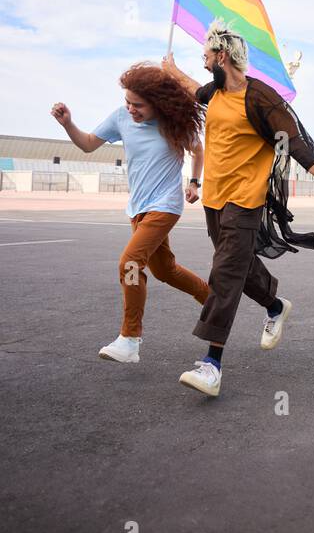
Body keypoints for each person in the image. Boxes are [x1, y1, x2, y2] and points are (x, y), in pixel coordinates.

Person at [163, 19, 314, 397]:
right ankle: (276, 304)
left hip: (246, 200)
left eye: (206, 55)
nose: (203, 63)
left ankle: (211, 364)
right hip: (214, 199)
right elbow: (191, 88)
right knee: (240, 266)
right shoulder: (214, 93)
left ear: (224, 56)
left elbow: (293, 140)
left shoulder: (259, 97)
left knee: (224, 272)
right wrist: (170, 71)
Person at [50, 65, 210, 363]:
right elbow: (87, 145)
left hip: (165, 205)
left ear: (158, 103)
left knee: (130, 264)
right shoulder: (121, 117)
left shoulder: (174, 122)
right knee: (165, 270)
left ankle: (130, 340)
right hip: (137, 207)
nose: (131, 109)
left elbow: (198, 150)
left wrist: (194, 182)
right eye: (128, 102)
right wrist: (68, 124)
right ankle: (212, 300)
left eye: (139, 105)